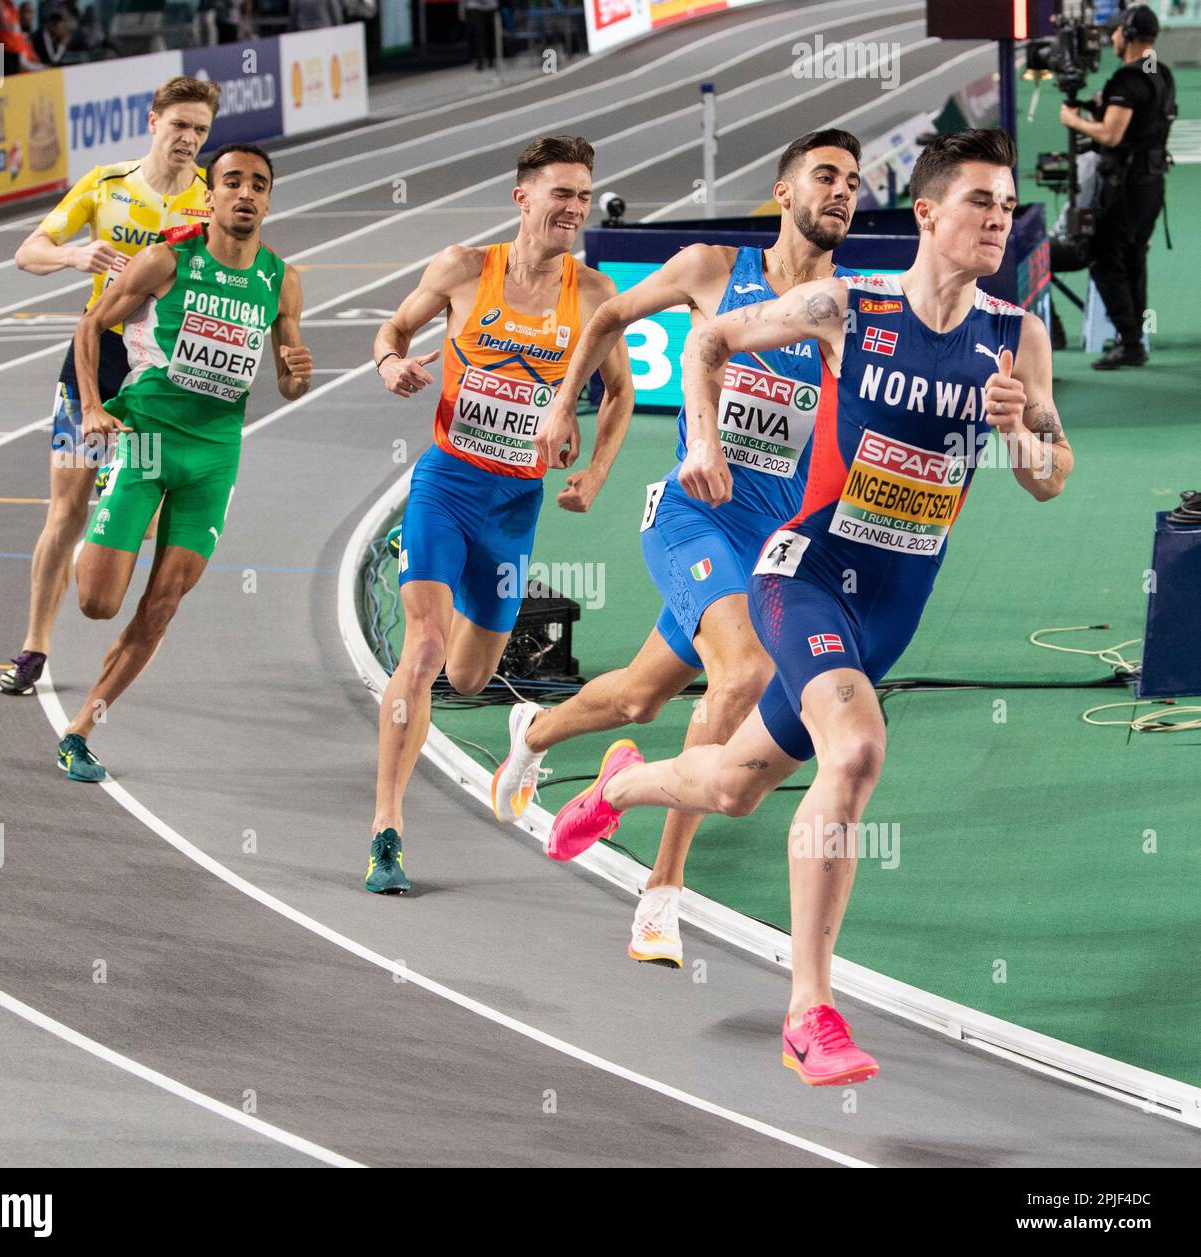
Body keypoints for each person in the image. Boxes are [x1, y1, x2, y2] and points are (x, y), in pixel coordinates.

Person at [549, 128, 1074, 1086]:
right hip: (805, 573)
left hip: (892, 608)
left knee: (734, 786)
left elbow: (1051, 474)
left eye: (1007, 205)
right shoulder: (848, 307)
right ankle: (810, 1011)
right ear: (925, 213)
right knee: (858, 749)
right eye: (979, 203)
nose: (999, 219)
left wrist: (1023, 438)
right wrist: (700, 442)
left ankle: (617, 785)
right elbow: (708, 340)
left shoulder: (1017, 333)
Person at [493, 131, 864, 969]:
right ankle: (661, 891)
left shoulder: (845, 309)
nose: (841, 191)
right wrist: (563, 413)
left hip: (767, 544)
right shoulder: (709, 268)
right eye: (825, 176)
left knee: (639, 698)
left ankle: (534, 730)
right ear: (782, 188)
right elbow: (611, 315)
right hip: (689, 520)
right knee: (741, 678)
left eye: (852, 181)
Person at [365, 135, 635, 894]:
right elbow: (390, 331)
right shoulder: (462, 269)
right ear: (523, 198)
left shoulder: (592, 294)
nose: (575, 208)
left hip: (515, 507)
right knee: (421, 653)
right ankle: (388, 827)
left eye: (584, 195)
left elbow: (621, 391)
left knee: (468, 673)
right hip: (446, 484)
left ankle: (507, 714)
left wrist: (595, 473)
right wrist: (393, 363)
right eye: (562, 194)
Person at [55, 144, 312, 782]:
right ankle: (107, 525)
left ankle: (82, 728)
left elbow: (288, 384)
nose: (246, 193)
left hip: (215, 454)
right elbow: (90, 326)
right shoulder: (166, 260)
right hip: (144, 437)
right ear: (211, 195)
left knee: (165, 601)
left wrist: (296, 374)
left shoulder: (282, 279)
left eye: (259, 184)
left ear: (269, 199)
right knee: (96, 603)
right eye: (233, 182)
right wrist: (90, 406)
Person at [0, 77, 219, 698]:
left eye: (200, 130)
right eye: (179, 125)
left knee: (141, 524)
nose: (189, 139)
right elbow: (27, 252)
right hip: (95, 361)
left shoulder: (210, 201)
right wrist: (75, 257)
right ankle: (33, 648)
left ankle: (110, 498)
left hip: (161, 377)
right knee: (64, 511)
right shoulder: (106, 185)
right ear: (153, 121)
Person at [1060, 3, 1175, 369]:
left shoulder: (1127, 81)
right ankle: (1133, 336)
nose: (1109, 38)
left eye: (1114, 32)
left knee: (1104, 258)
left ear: (1126, 35)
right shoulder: (1162, 74)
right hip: (1152, 184)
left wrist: (1073, 121)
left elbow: (1111, 134)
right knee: (1133, 258)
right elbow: (1145, 120)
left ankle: (1128, 341)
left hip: (1125, 187)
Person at [460, 0, 499, 72]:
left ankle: (491, 59)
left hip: (490, 7)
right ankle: (480, 61)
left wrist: (496, 5)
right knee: (479, 35)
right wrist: (462, 8)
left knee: (491, 35)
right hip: (474, 7)